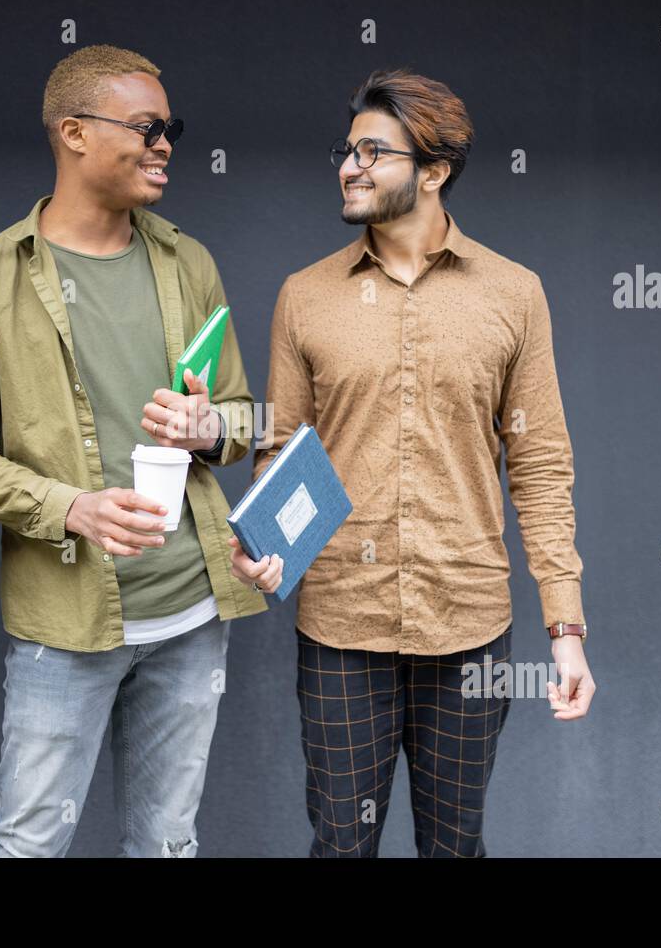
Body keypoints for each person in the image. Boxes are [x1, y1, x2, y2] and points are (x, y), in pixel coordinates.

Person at [238, 69, 598, 857]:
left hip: (468, 623)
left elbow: (540, 464)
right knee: (340, 843)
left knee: (454, 846)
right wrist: (266, 544)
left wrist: (564, 628)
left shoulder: (515, 293)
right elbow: (283, 450)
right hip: (341, 624)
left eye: (374, 150)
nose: (349, 166)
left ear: (434, 171)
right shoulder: (305, 295)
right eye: (347, 149)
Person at [0, 44, 270, 858]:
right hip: (67, 617)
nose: (165, 145)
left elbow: (241, 417)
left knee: (166, 844)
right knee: (25, 843)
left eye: (172, 129)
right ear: (74, 132)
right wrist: (73, 508)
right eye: (147, 127)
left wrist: (212, 429)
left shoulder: (189, 263)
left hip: (194, 610)